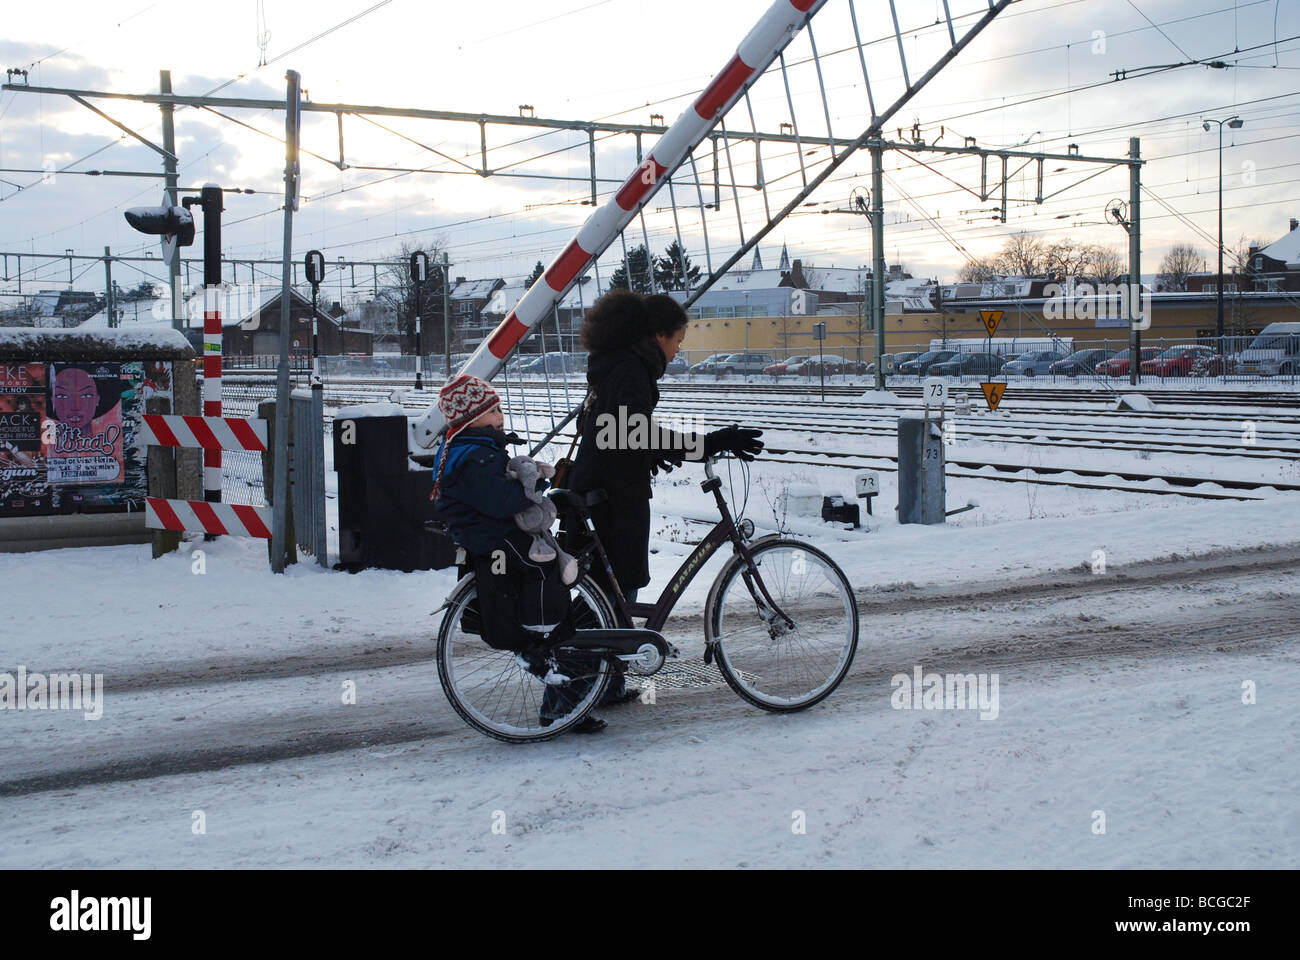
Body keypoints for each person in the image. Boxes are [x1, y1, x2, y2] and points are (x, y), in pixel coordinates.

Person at [566, 290, 764, 699]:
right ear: (658, 336)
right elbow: (629, 432)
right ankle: (568, 696)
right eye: (678, 339)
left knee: (615, 593)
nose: (679, 348)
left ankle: (603, 684)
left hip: (607, 489)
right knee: (608, 595)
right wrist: (708, 443)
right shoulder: (631, 371)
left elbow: (618, 433)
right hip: (610, 498)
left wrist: (647, 456)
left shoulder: (623, 366)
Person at [428, 374, 605, 733]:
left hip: (484, 533)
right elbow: (500, 501)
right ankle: (542, 637)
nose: (500, 416)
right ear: (469, 419)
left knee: (540, 558)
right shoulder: (475, 455)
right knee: (543, 566)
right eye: (492, 411)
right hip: (493, 535)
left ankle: (556, 653)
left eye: (499, 409)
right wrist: (534, 486)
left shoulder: (468, 449)